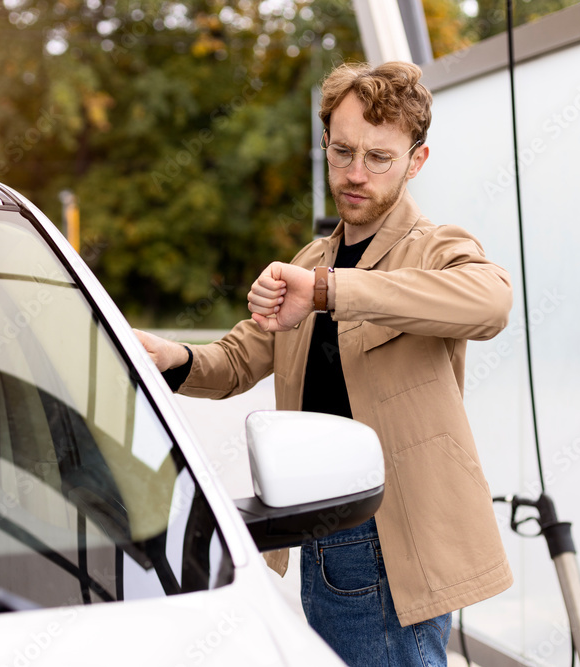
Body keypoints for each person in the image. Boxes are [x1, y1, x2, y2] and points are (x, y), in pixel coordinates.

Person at [135, 61, 513, 667]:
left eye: (379, 157)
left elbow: (492, 301)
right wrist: (170, 357)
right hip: (318, 529)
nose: (355, 174)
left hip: (392, 537)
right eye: (341, 152)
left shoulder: (435, 246)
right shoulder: (312, 258)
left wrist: (331, 291)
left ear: (416, 161)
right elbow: (236, 360)